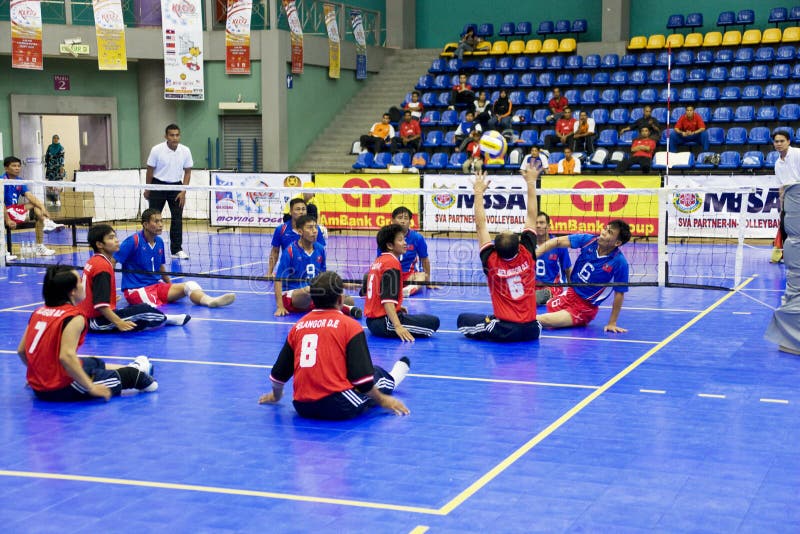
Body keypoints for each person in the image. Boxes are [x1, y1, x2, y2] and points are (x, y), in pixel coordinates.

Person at [259, 271, 411, 420]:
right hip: (337, 405)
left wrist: (276, 396)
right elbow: (362, 381)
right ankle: (393, 379)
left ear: (313, 299)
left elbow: (278, 375)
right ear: (340, 299)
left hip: (302, 406)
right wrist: (384, 400)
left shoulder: (297, 327)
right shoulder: (350, 326)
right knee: (375, 374)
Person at [16, 265, 158, 402]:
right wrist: (91, 387)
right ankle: (136, 370)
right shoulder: (74, 317)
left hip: (38, 387)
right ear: (72, 291)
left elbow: (22, 350)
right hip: (62, 388)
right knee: (140, 380)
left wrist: (39, 376)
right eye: (79, 280)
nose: (83, 283)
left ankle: (135, 366)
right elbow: (66, 357)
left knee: (91, 362)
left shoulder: (37, 313)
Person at [456, 167, 542, 342]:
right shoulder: (527, 253)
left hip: (506, 330)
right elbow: (532, 216)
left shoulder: (491, 260)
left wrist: (478, 191)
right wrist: (531, 182)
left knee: (462, 320)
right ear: (519, 245)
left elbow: (480, 226)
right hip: (533, 329)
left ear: (494, 248)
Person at [116, 208, 236, 309]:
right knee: (152, 309)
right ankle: (173, 320)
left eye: (161, 221)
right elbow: (112, 262)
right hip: (137, 289)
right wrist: (109, 293)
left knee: (190, 285)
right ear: (145, 224)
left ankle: (210, 301)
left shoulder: (159, 241)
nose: (160, 224)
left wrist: (169, 286)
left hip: (156, 285)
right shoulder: (133, 241)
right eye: (156, 221)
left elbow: (160, 267)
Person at [80, 224, 190, 332]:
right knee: (146, 311)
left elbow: (91, 291)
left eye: (115, 236)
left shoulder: (94, 261)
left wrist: (109, 298)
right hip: (96, 321)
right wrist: (119, 323)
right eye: (111, 238)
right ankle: (168, 319)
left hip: (92, 316)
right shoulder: (102, 266)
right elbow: (100, 305)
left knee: (137, 308)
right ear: (99, 244)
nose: (116, 240)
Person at [536, 220, 632, 332]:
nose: (603, 232)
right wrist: (534, 255)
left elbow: (619, 293)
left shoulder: (619, 262)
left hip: (585, 308)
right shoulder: (589, 240)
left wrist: (612, 322)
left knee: (542, 319)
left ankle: (515, 322)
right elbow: (557, 241)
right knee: (540, 309)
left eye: (609, 232)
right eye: (605, 228)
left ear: (617, 243)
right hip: (570, 294)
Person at [274, 215, 362, 318]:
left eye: (315, 227)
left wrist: (343, 285)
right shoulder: (289, 251)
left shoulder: (320, 249)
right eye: (310, 228)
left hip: (315, 292)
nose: (315, 231)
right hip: (293, 296)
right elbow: (278, 279)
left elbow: (323, 277)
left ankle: (346, 307)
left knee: (348, 299)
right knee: (307, 291)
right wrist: (280, 306)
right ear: (300, 231)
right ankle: (342, 308)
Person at [363, 223, 440, 341]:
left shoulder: (379, 261)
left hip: (373, 320)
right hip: (384, 322)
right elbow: (387, 300)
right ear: (389, 245)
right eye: (400, 240)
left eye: (404, 239)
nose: (405, 242)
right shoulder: (391, 263)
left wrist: (397, 306)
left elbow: (375, 292)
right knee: (433, 322)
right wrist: (398, 326)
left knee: (420, 318)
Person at [765, 129, 800, 355]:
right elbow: (782, 186)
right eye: (776, 142)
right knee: (791, 242)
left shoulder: (797, 154)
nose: (778, 144)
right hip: (790, 201)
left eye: (781, 141)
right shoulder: (778, 163)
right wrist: (782, 203)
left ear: (789, 141)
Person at [145, 124, 193, 260]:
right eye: (172, 135)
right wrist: (148, 188)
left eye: (177, 135)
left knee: (177, 219)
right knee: (152, 219)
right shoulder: (156, 150)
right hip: (157, 185)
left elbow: (188, 172)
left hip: (176, 188)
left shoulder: (185, 151)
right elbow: (150, 170)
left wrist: (183, 191)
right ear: (166, 136)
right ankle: (149, 246)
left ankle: (176, 249)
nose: (175, 138)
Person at [3, 156, 64, 260]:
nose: (17, 168)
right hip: (3, 211)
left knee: (37, 207)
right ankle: (3, 252)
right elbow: (0, 203)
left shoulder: (20, 181)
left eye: (19, 166)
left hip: (14, 210)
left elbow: (30, 196)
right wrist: (7, 219)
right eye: (14, 166)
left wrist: (43, 208)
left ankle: (45, 227)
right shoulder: (1, 181)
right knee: (35, 207)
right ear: (6, 168)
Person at [375, 206, 433, 297]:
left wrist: (428, 282)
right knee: (371, 275)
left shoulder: (417, 238)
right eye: (400, 218)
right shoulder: (385, 236)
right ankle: (392, 287)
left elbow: (424, 259)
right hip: (390, 274)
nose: (403, 221)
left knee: (422, 276)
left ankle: (406, 291)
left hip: (408, 276)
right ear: (393, 220)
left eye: (406, 218)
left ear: (410, 222)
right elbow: (379, 260)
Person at [269, 198, 326, 277]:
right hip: (288, 272)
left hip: (309, 272)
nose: (301, 212)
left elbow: (320, 252)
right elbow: (275, 251)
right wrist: (269, 272)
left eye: (303, 209)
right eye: (298, 209)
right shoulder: (281, 229)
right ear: (290, 212)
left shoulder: (315, 229)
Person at [534, 212, 572, 306]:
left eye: (542, 223)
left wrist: (572, 293)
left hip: (551, 287)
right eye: (536, 223)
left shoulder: (558, 244)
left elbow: (568, 270)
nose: (538, 225)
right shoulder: (528, 244)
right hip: (532, 287)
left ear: (549, 226)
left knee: (533, 298)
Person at [44, 134, 65, 206]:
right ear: (52, 139)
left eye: (57, 138)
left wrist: (62, 167)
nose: (55, 139)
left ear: (58, 139)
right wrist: (46, 164)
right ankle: (50, 199)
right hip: (50, 169)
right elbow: (47, 156)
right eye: (54, 138)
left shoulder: (61, 148)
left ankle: (57, 199)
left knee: (58, 184)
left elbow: (62, 158)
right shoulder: (49, 147)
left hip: (58, 169)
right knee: (50, 184)